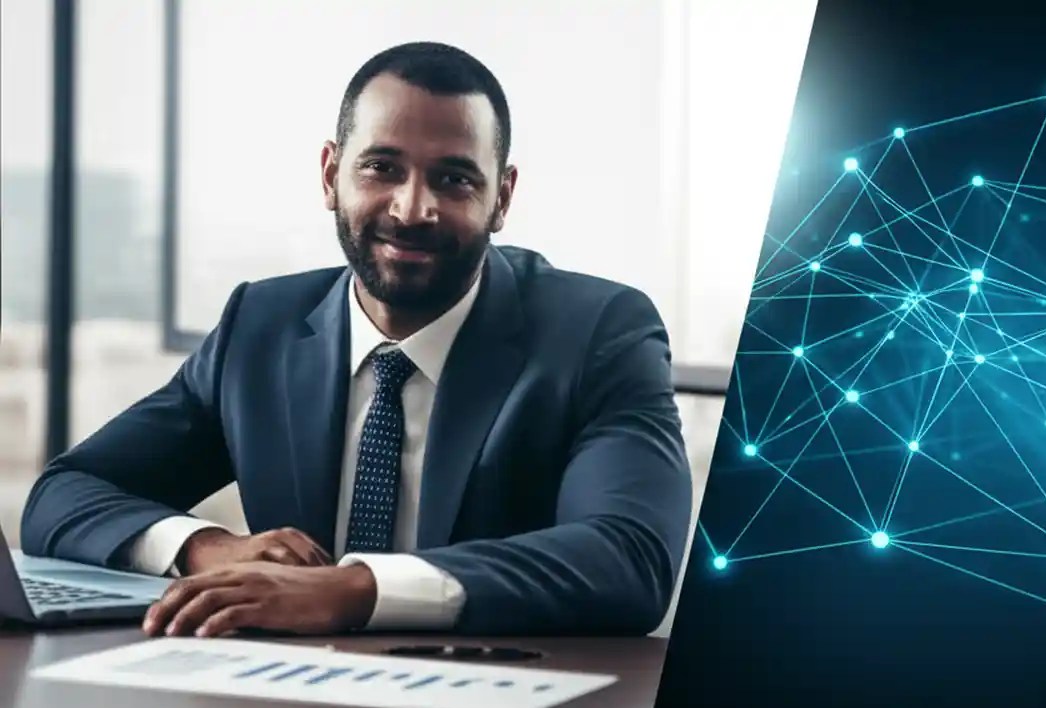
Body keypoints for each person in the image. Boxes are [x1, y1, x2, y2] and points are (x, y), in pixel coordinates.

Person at [19, 41, 692, 638]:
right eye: (382, 167)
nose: (412, 208)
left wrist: (353, 589)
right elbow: (65, 493)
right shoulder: (261, 325)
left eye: (454, 178)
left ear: (503, 197)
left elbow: (628, 556)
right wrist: (208, 548)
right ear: (330, 175)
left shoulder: (599, 331)